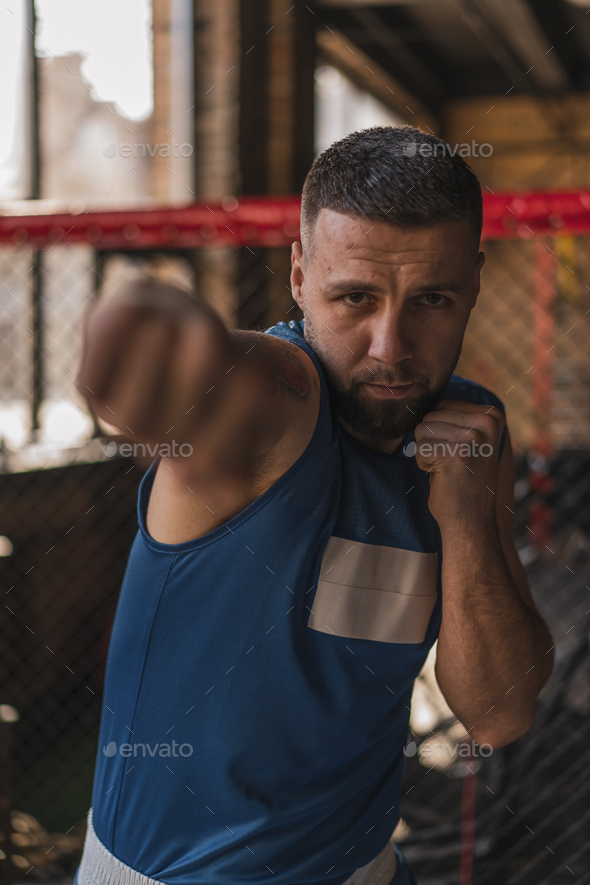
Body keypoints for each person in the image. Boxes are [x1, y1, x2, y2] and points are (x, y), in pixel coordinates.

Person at [73, 125, 554, 885]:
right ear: (299, 276)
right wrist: (148, 356)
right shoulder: (279, 400)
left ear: (475, 284)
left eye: (432, 299)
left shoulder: (469, 433)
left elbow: (498, 713)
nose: (390, 346)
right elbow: (221, 381)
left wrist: (463, 514)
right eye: (354, 297)